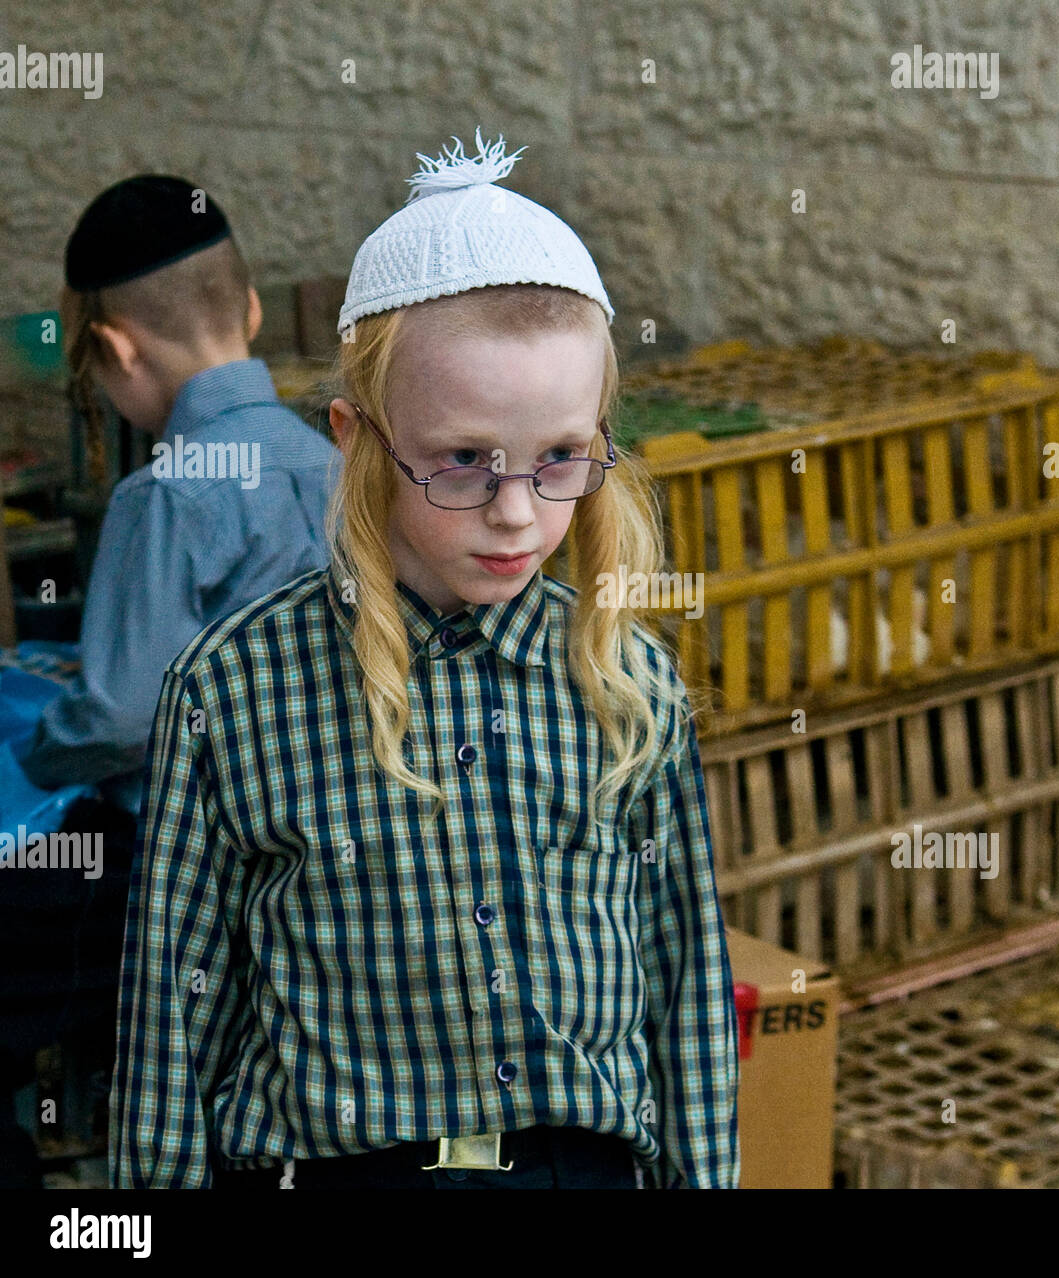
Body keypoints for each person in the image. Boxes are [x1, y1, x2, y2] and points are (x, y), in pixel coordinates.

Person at [109, 129, 739, 1190]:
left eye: (559, 460)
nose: (514, 513)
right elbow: (172, 1010)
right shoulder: (231, 689)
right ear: (356, 437)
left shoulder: (629, 687)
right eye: (461, 461)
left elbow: (686, 991)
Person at [1, 175, 339, 1188]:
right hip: (313, 855)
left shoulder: (165, 495)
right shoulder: (334, 468)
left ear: (112, 351)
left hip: (180, 876)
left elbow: (118, 713)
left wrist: (35, 748)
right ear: (247, 310)